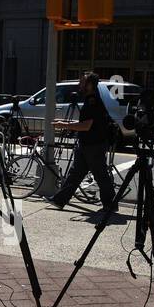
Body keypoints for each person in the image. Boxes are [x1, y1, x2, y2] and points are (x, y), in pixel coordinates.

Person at [48, 71, 117, 212]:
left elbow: (86, 126)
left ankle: (110, 205)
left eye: (83, 82)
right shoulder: (90, 99)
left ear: (90, 85)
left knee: (101, 176)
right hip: (86, 144)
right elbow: (85, 123)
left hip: (94, 145)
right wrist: (65, 122)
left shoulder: (93, 101)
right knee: (75, 174)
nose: (80, 84)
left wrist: (65, 125)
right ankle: (59, 200)